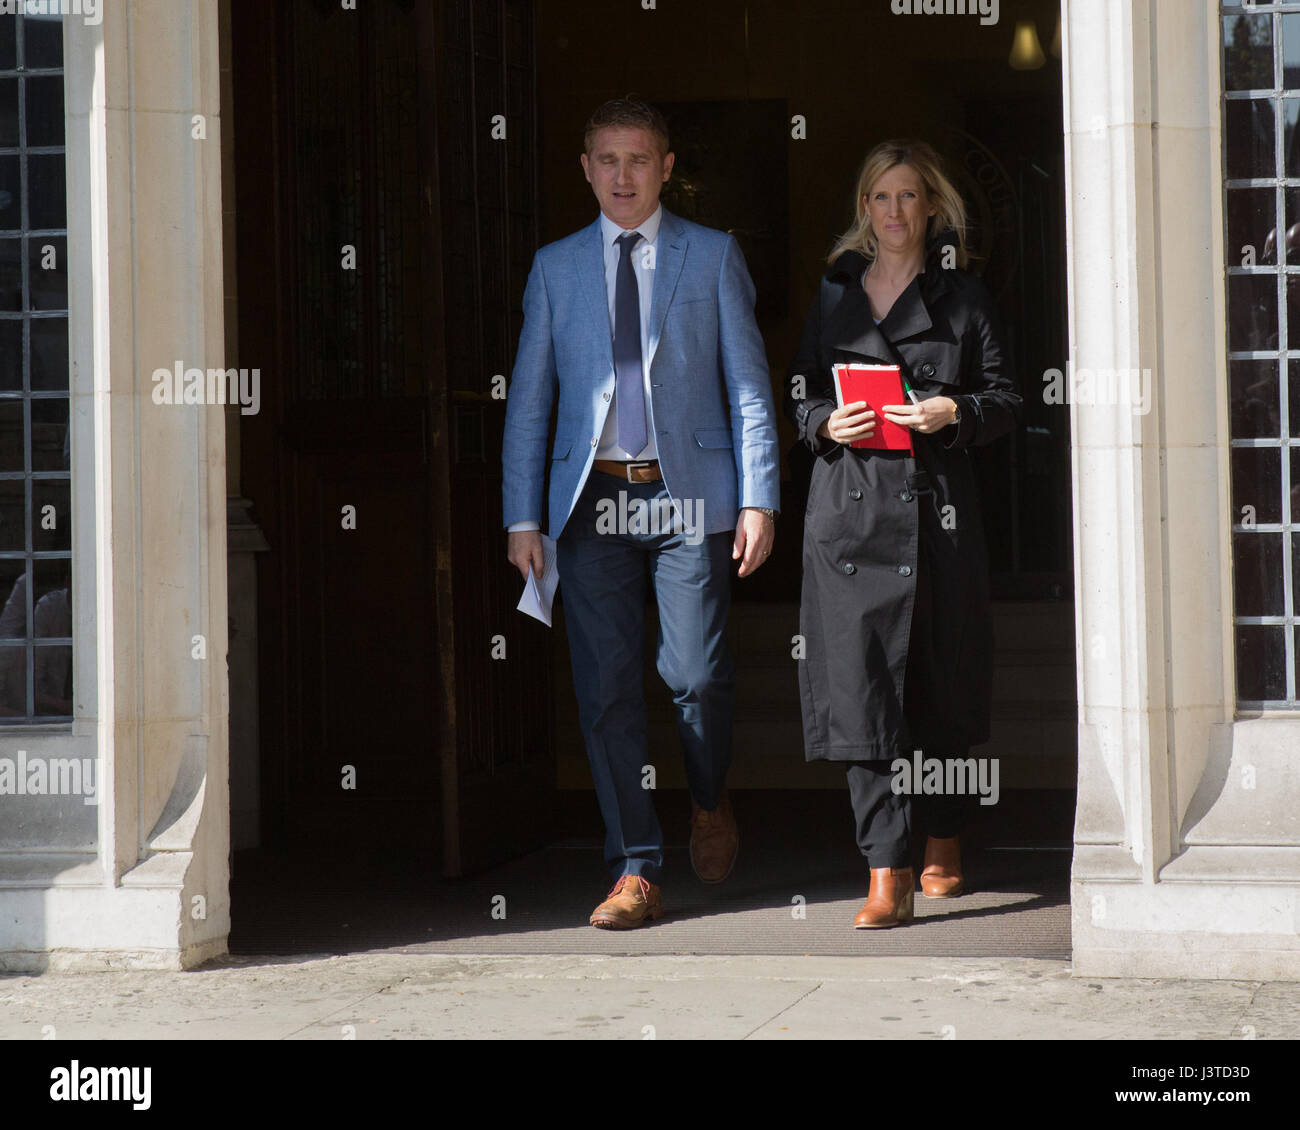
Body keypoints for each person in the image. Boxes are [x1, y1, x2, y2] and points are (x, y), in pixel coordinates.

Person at [502, 97, 781, 929]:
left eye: (639, 160)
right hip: (592, 502)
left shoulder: (713, 255)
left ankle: (705, 797)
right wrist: (523, 516)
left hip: (688, 493)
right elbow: (529, 404)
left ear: (665, 168)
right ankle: (634, 867)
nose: (623, 176)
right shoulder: (554, 269)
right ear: (586, 169)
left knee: (695, 676)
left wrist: (760, 494)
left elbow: (749, 387)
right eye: (607, 161)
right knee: (605, 688)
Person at [784, 139, 1021, 928]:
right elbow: (800, 395)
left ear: (931, 207)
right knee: (859, 688)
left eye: (909, 197)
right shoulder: (833, 295)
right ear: (865, 208)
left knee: (942, 679)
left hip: (938, 510)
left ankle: (944, 840)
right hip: (849, 514)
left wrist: (957, 413)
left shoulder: (965, 297)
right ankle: (885, 870)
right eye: (880, 198)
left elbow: (1010, 401)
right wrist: (827, 420)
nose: (894, 212)